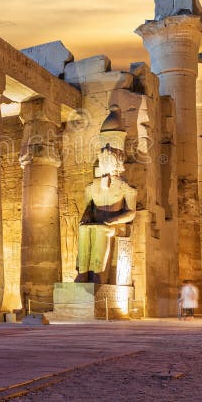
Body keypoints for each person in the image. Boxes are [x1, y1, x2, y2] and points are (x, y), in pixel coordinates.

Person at [76, 105, 137, 284]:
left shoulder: (125, 187)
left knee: (102, 231)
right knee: (84, 230)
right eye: (103, 157)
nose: (105, 161)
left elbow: (131, 212)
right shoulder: (91, 187)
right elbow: (88, 208)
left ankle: (97, 273)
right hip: (97, 223)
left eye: (109, 157)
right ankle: (83, 271)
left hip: (114, 225)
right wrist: (86, 217)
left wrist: (115, 220)